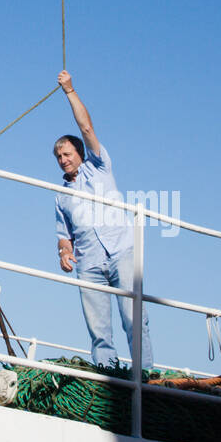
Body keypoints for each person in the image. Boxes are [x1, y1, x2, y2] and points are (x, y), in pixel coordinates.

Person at [53, 70, 153, 370]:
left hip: (122, 252)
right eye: (58, 156)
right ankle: (108, 376)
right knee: (98, 331)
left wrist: (70, 91)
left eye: (67, 153)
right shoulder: (60, 195)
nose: (63, 159)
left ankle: (144, 376)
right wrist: (64, 251)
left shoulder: (99, 167)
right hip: (89, 264)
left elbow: (85, 127)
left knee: (135, 320)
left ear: (79, 153)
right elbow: (62, 234)